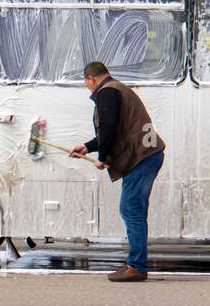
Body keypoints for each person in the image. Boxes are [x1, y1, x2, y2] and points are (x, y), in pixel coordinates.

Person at [70, 61, 166, 282]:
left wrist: (101, 158)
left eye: (86, 83)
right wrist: (87, 147)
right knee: (133, 209)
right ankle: (136, 263)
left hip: (142, 157)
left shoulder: (107, 92)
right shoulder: (117, 88)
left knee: (131, 209)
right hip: (147, 155)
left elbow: (109, 126)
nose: (87, 87)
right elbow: (113, 129)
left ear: (90, 80)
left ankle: (137, 266)